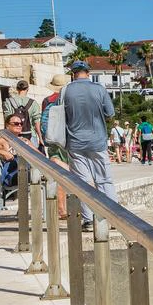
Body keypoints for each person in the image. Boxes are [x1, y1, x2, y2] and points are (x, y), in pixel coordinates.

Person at [61, 59, 116, 224]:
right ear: (88, 73)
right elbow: (110, 113)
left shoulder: (65, 91)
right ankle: (113, 219)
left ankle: (87, 220)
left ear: (73, 74)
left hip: (75, 143)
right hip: (97, 141)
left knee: (82, 182)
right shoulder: (99, 89)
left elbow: (59, 116)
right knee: (104, 180)